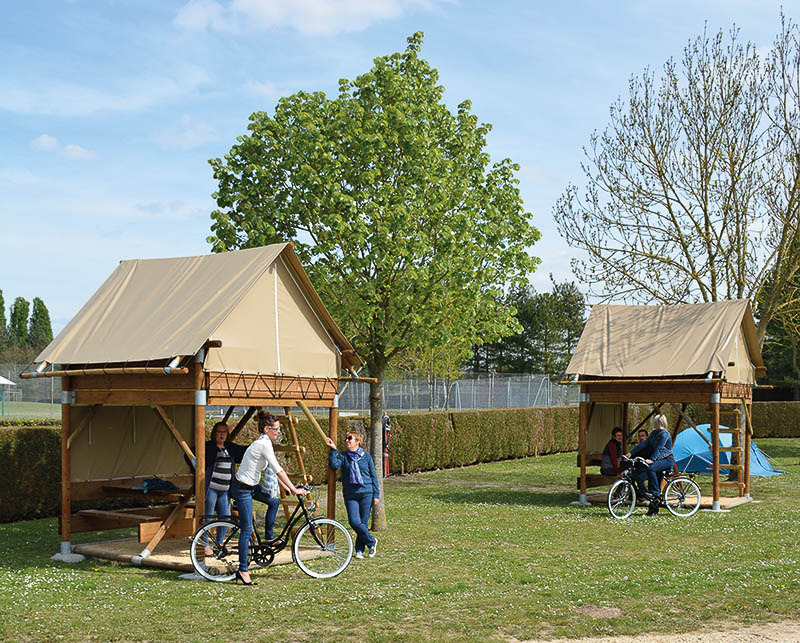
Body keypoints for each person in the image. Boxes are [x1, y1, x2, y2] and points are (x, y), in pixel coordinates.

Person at [230, 410, 308, 585]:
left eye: (279, 429)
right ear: (266, 429)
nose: (278, 432)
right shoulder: (263, 444)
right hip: (242, 489)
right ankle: (243, 570)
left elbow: (274, 470)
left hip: (250, 486)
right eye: (276, 429)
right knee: (247, 529)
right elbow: (278, 468)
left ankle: (269, 539)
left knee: (273, 501)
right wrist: (294, 490)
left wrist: (287, 487)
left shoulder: (265, 443)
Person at [325, 431, 380, 560]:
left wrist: (376, 494)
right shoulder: (344, 456)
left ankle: (359, 550)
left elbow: (373, 476)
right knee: (354, 521)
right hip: (351, 494)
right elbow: (334, 465)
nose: (347, 441)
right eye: (346, 438)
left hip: (367, 492)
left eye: (350, 438)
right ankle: (371, 542)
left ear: (357, 441)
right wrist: (333, 450)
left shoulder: (366, 457)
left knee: (363, 523)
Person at [202, 422, 247, 556]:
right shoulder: (208, 447)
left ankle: (219, 543)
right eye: (219, 432)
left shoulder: (230, 447)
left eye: (224, 432)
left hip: (225, 490)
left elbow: (246, 451)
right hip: (211, 488)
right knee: (208, 518)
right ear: (214, 434)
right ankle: (205, 545)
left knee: (225, 518)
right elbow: (190, 454)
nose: (221, 435)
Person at [627, 414, 674, 516]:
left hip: (667, 460)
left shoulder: (664, 434)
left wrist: (652, 459)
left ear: (658, 423)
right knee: (653, 477)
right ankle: (653, 510)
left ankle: (654, 494)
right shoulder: (654, 433)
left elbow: (659, 448)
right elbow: (644, 444)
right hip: (658, 460)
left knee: (651, 469)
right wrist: (632, 453)